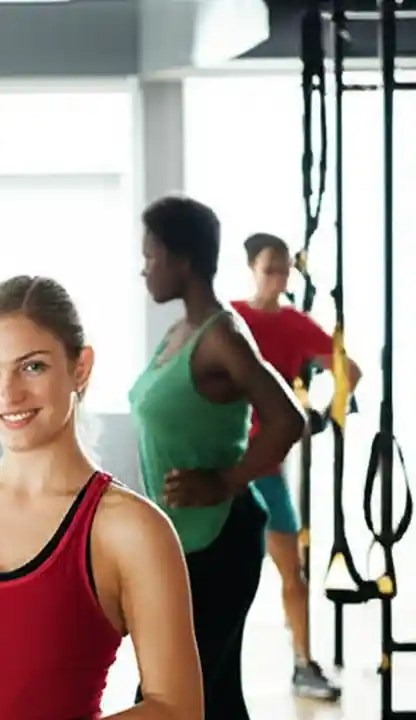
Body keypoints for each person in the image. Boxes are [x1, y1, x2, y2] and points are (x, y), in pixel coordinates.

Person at [0, 275, 203, 720]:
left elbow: (178, 709)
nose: (8, 393)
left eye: (32, 366)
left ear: (80, 368)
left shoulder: (130, 530)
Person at [131, 196, 307, 719]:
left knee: (177, 695)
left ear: (182, 259)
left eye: (151, 256)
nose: (144, 269)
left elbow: (287, 419)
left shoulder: (221, 336)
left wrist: (223, 482)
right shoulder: (179, 333)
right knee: (207, 695)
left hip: (220, 537)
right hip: (185, 540)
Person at [233, 232, 359, 701]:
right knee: (204, 574)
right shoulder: (229, 318)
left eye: (285, 270)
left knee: (292, 571)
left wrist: (323, 413)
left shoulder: (296, 324)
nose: (279, 278)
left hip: (265, 465)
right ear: (251, 268)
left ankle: (304, 665)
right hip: (221, 461)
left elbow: (350, 370)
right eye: (270, 269)